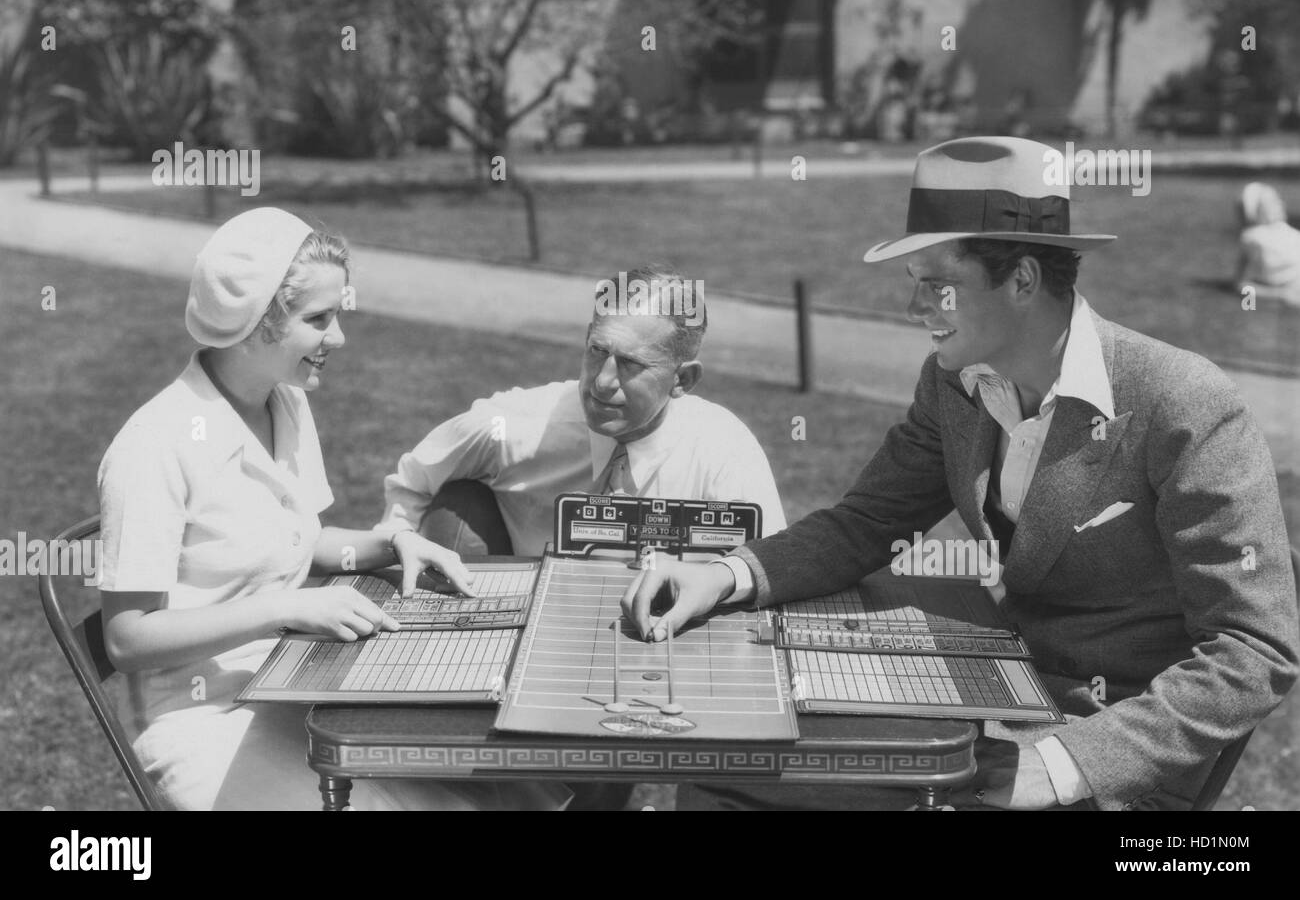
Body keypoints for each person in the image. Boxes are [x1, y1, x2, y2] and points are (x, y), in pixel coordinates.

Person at [623, 137, 1300, 812]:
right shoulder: (955, 384)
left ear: (1023, 279)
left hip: (1112, 766)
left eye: (936, 284)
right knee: (724, 766)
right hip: (982, 710)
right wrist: (725, 573)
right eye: (913, 283)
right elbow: (865, 522)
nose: (917, 307)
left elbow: (1254, 650)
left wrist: (1061, 764)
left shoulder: (1183, 403)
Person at [97, 208, 568, 811]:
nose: (339, 337)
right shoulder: (154, 445)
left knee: (485, 786)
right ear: (254, 323)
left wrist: (389, 544)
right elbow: (128, 640)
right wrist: (285, 607)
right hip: (202, 717)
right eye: (318, 319)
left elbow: (301, 539)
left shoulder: (285, 404)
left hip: (293, 680)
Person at [375, 266, 786, 557]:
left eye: (630, 364)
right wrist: (399, 546)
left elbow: (766, 567)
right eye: (597, 351)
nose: (602, 382)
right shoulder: (511, 428)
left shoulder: (724, 450)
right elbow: (413, 485)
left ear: (683, 380)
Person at [1235, 181, 1300, 307]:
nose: (1281, 204)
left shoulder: (1285, 230)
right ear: (1257, 209)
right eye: (1272, 202)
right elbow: (1241, 284)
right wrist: (1280, 294)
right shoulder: (1254, 237)